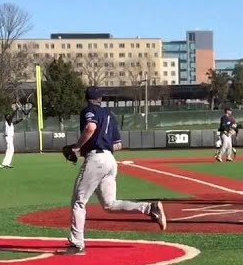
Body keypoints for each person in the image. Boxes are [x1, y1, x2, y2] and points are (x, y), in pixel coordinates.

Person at [62, 87, 166, 255]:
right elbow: (117, 144)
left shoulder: (89, 110)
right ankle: (149, 208)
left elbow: (90, 128)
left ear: (86, 98)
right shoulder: (109, 115)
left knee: (78, 202)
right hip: (110, 159)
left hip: (96, 159)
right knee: (110, 204)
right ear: (101, 98)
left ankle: (77, 244)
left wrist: (76, 147)